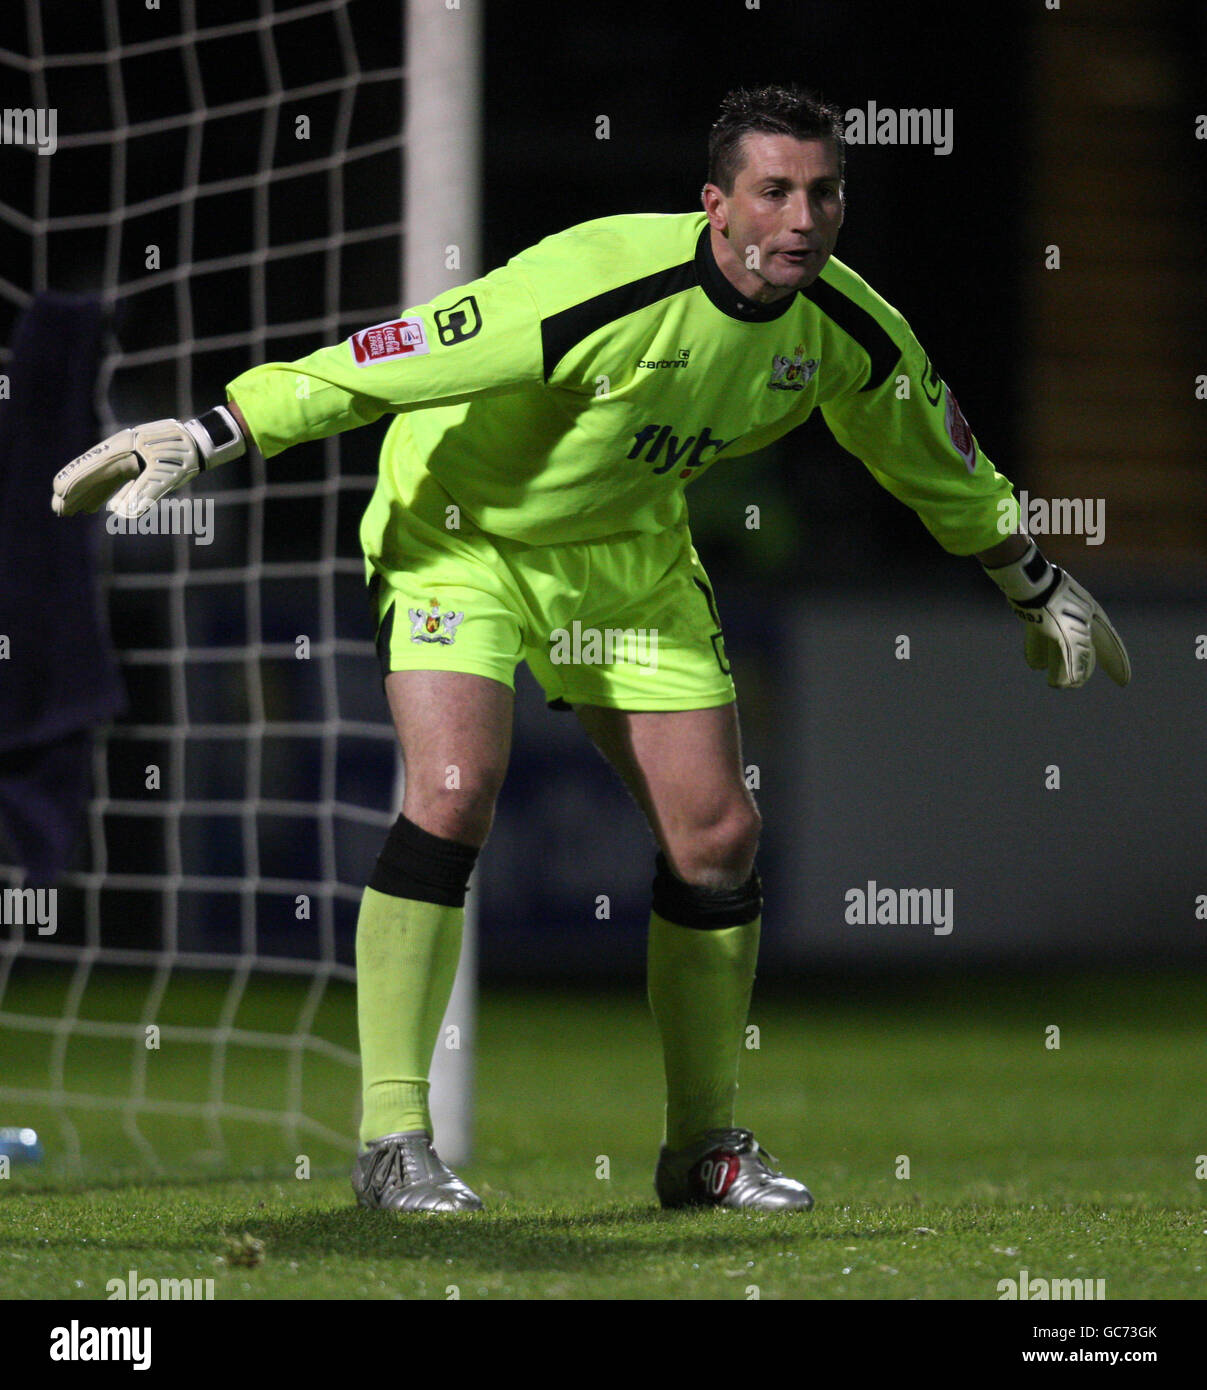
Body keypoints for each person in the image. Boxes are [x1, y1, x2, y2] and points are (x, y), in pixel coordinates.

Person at [51, 84, 1129, 1214]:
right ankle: (390, 1139)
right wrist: (214, 430)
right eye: (774, 192)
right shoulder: (597, 282)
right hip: (462, 535)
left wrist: (1030, 578)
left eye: (824, 193)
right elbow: (387, 358)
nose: (802, 219)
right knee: (454, 792)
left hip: (625, 555)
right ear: (717, 205)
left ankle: (703, 1149)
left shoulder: (846, 327)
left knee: (718, 835)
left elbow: (932, 452)